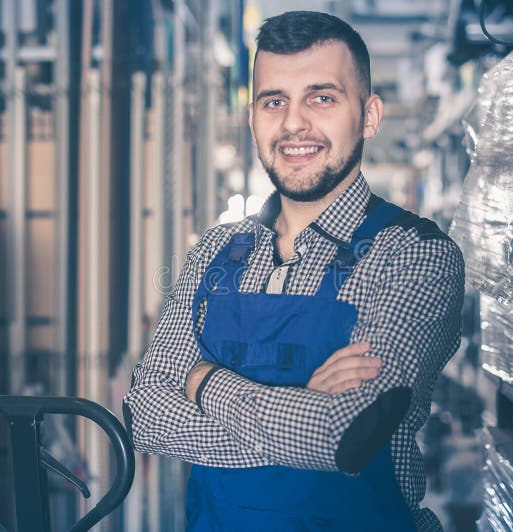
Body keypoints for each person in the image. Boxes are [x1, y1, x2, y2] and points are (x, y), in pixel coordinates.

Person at [123, 10, 464, 532]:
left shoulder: (413, 255)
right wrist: (302, 408)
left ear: (369, 116)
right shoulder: (214, 253)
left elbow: (343, 434)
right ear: (254, 116)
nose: (293, 124)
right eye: (273, 101)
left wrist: (203, 380)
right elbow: (146, 413)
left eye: (321, 98)